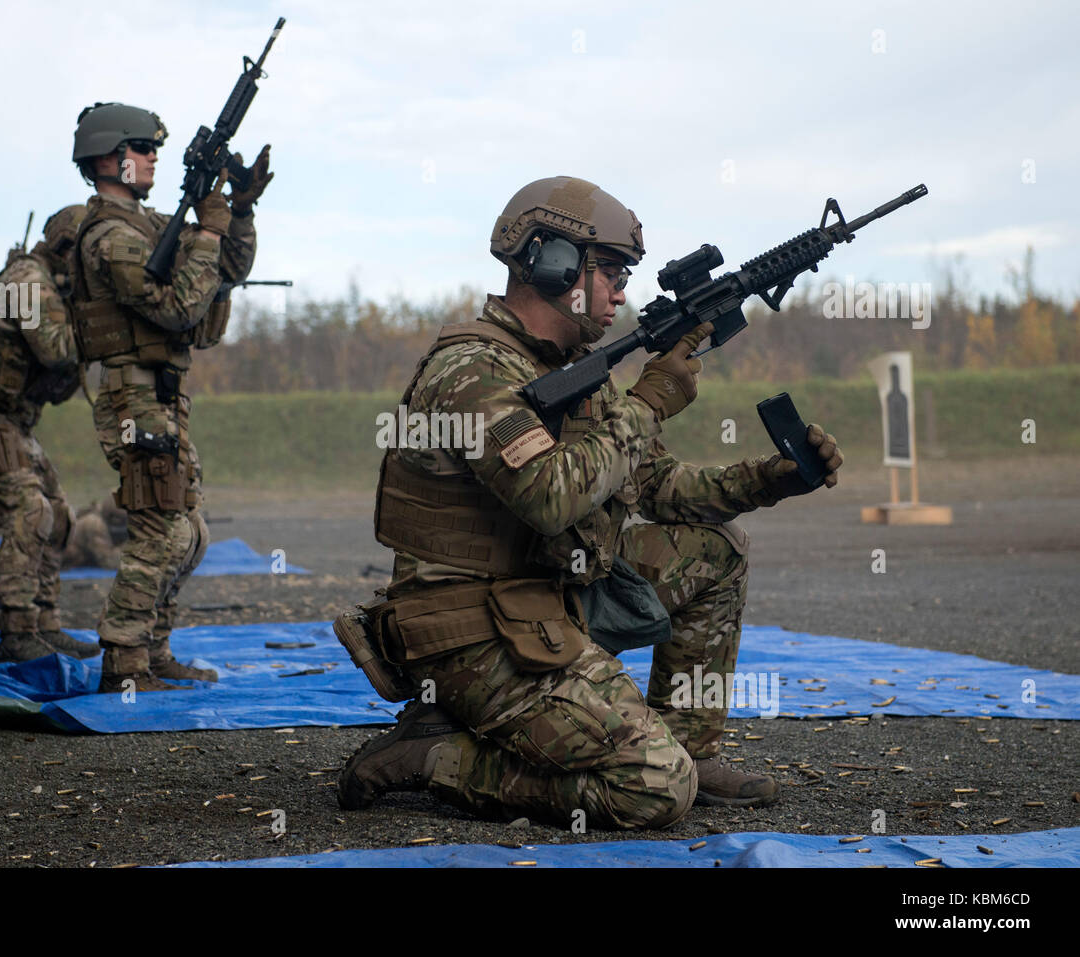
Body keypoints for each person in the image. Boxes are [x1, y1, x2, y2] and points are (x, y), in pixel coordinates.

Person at [338, 176, 844, 828]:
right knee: (655, 789)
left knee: (716, 553)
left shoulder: (573, 370)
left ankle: (687, 743)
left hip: (541, 595)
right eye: (609, 270)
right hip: (468, 632)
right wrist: (647, 402)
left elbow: (657, 487)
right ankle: (432, 755)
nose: (622, 291)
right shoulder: (473, 370)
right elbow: (550, 497)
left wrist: (770, 479)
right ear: (551, 261)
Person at [70, 101, 269, 691]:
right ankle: (123, 662)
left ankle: (154, 652)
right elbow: (179, 308)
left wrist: (239, 210)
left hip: (163, 396)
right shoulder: (110, 236)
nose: (152, 154)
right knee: (160, 529)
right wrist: (207, 229)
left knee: (192, 532)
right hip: (132, 399)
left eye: (155, 146)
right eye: (140, 146)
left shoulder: (154, 225)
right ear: (107, 158)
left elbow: (225, 270)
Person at [0, 207, 99, 663]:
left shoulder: (55, 283)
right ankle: (16, 633)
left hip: (11, 421)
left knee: (58, 513)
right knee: (29, 512)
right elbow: (55, 350)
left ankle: (44, 624)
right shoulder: (28, 280)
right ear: (66, 248)